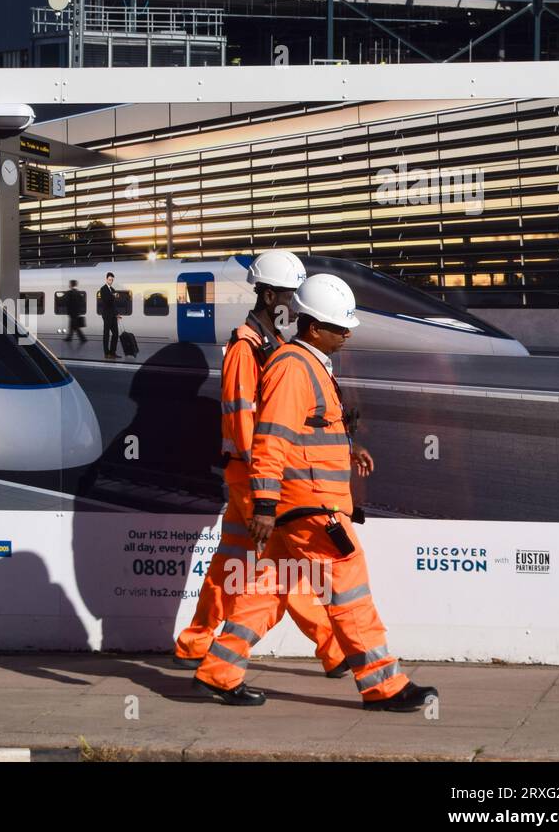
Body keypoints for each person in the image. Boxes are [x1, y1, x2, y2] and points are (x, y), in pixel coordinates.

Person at [192, 273, 438, 712]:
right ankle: (383, 686)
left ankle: (218, 672)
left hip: (301, 507)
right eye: (339, 327)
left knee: (267, 590)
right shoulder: (292, 367)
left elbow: (312, 430)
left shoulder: (308, 365)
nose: (346, 335)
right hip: (310, 508)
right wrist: (264, 503)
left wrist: (348, 446)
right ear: (313, 327)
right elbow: (270, 438)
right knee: (349, 592)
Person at [174, 251, 346, 684]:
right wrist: (269, 479)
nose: (298, 304)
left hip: (250, 478)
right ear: (271, 296)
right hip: (254, 478)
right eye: (291, 294)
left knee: (231, 563)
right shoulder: (246, 349)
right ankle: (332, 648)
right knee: (284, 568)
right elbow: (242, 418)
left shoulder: (272, 347)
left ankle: (195, 642)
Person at [97, 272, 121, 358]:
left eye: (112, 280)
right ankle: (106, 353)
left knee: (116, 333)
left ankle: (113, 352)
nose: (111, 281)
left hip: (113, 315)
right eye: (110, 280)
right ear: (106, 279)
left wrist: (117, 314)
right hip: (106, 315)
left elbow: (114, 304)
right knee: (106, 334)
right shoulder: (103, 289)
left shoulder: (113, 289)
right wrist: (113, 295)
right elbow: (106, 301)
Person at [64, 280, 87, 344]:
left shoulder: (69, 293)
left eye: (70, 284)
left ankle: (83, 338)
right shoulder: (78, 293)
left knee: (75, 326)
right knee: (72, 325)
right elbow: (82, 302)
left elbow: (66, 302)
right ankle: (69, 337)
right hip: (77, 312)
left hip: (71, 312)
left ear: (71, 285)